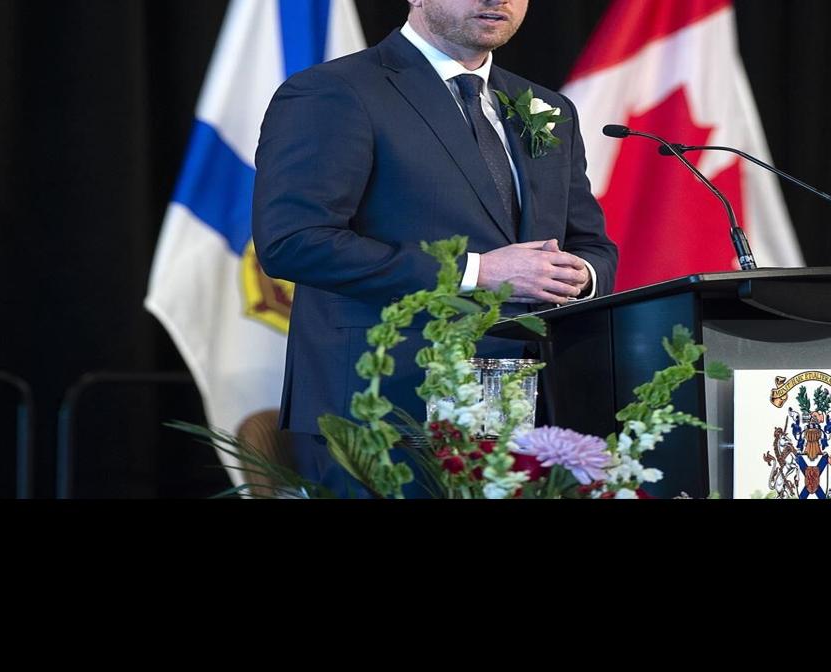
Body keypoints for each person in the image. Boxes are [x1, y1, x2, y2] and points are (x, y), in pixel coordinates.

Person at [251, 0, 617, 492]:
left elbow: (590, 244)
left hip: (527, 412)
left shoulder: (547, 107)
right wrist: (478, 272)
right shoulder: (334, 91)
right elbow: (293, 242)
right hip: (385, 410)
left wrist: (580, 275)